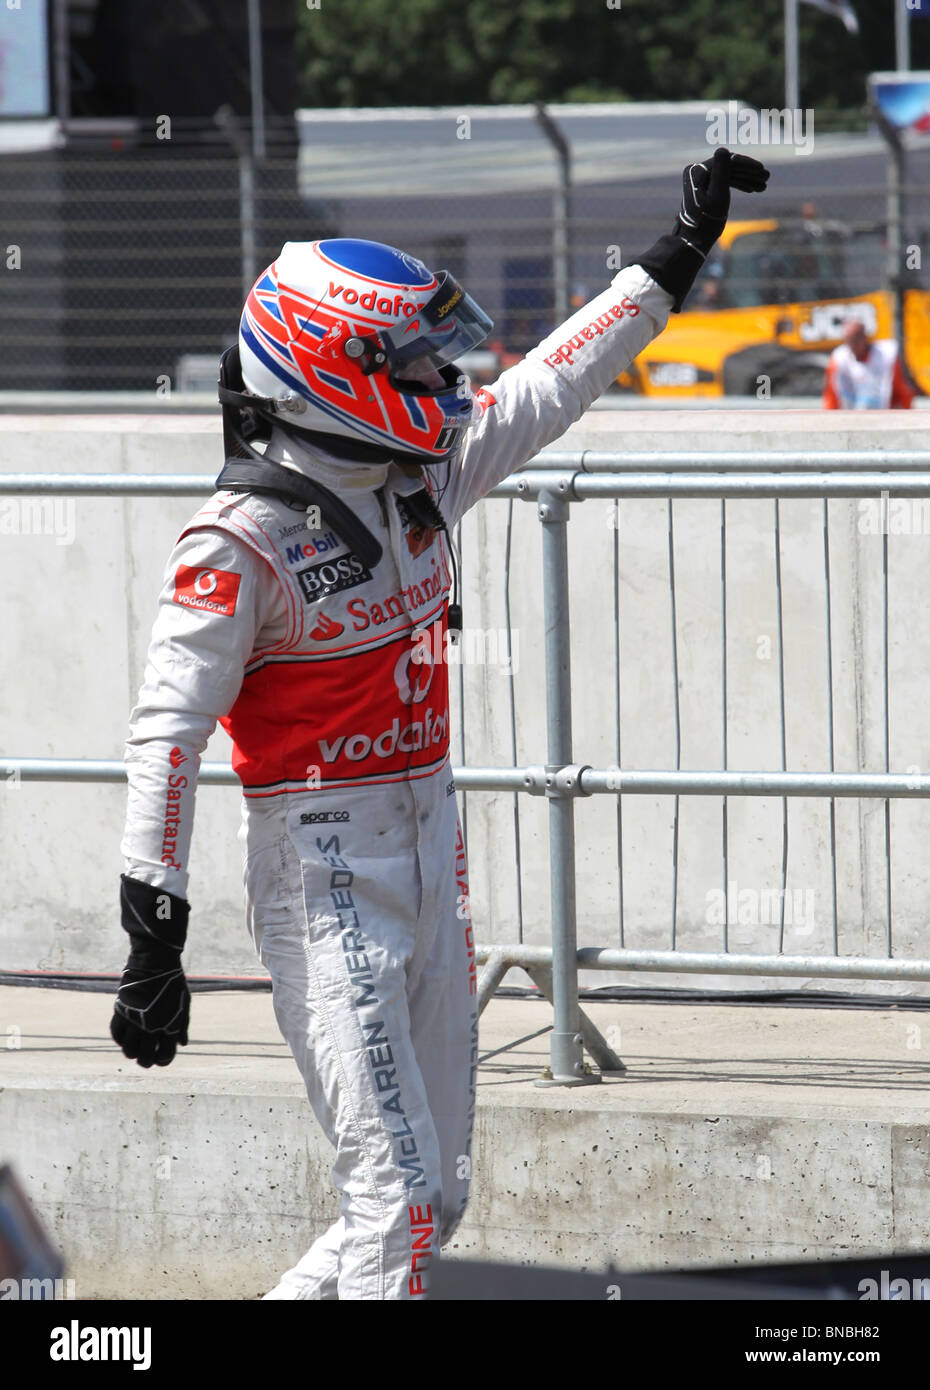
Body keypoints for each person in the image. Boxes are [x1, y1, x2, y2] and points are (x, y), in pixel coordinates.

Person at [110, 147, 769, 1300]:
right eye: (409, 358)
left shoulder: (424, 474)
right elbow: (165, 737)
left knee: (438, 1193)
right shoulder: (236, 541)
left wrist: (670, 262)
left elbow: (549, 382)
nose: (441, 376)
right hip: (323, 879)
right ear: (331, 369)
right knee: (397, 1200)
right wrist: (153, 931)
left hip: (434, 850)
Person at [823, 319, 915, 409]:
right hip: (852, 418)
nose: (853, 345)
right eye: (849, 341)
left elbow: (902, 391)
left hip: (883, 416)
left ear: (864, 338)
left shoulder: (886, 357)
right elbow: (831, 394)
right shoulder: (839, 359)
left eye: (856, 340)